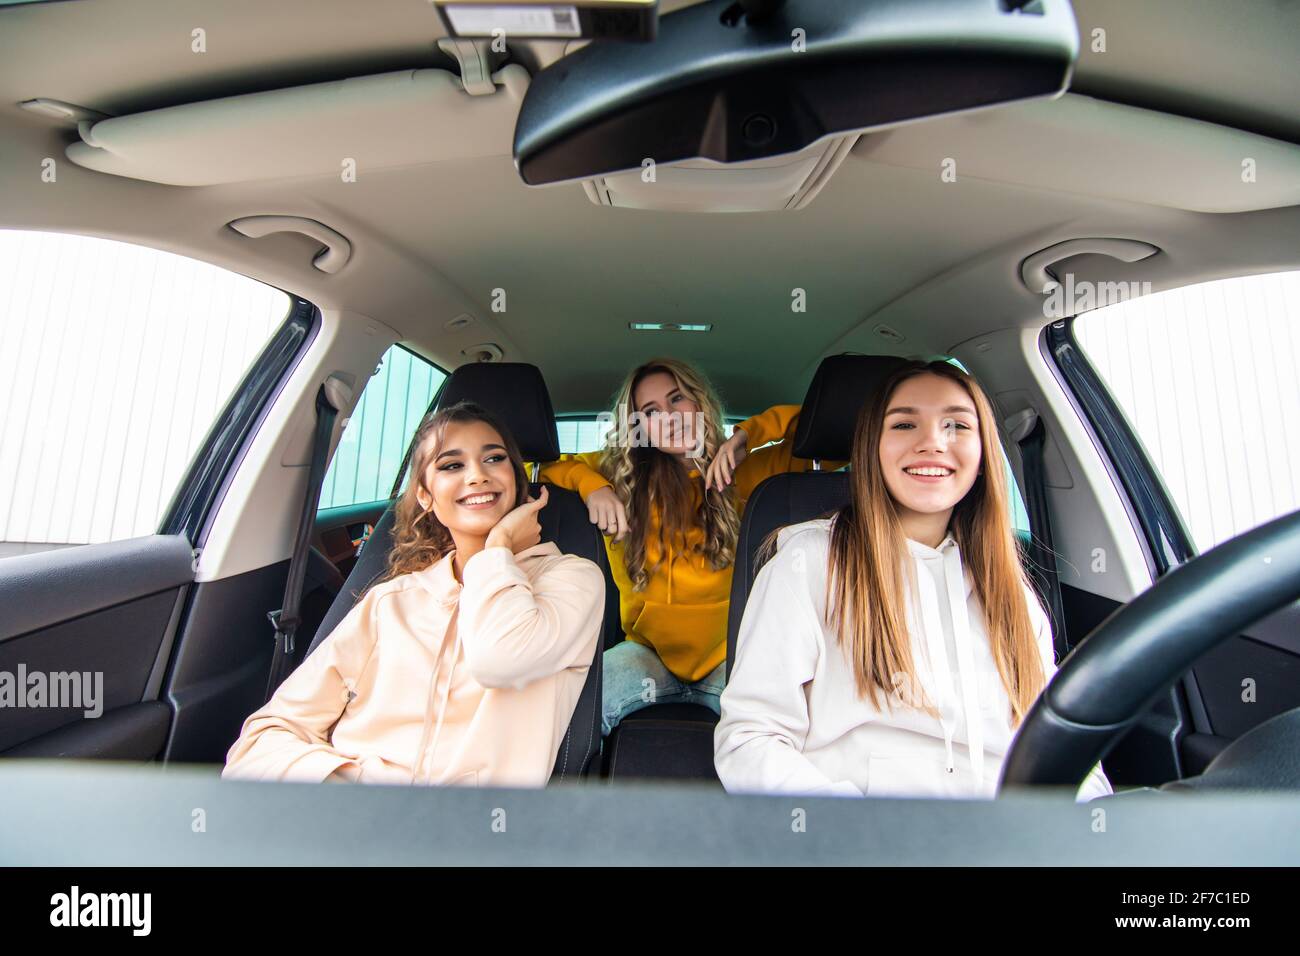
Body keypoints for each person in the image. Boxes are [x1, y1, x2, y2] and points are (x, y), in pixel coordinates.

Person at [714, 360, 1112, 800]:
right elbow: (749, 740)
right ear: (871, 448)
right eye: (904, 424)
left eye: (957, 425)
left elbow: (1061, 745)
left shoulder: (1010, 588)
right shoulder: (810, 563)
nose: (932, 442)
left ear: (982, 458)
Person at [223, 400, 603, 787]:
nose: (477, 476)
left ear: (516, 479)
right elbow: (262, 741)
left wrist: (499, 546)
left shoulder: (572, 579)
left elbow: (497, 659)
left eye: (494, 459)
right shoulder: (390, 602)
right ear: (425, 495)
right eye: (452, 465)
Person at [541, 357, 840, 736]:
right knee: (568, 711)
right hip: (646, 656)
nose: (668, 417)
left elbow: (829, 438)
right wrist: (592, 486)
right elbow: (539, 469)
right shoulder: (618, 475)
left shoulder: (751, 470)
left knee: (789, 728)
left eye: (677, 398)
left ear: (700, 401)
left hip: (733, 656)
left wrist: (748, 435)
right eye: (650, 411)